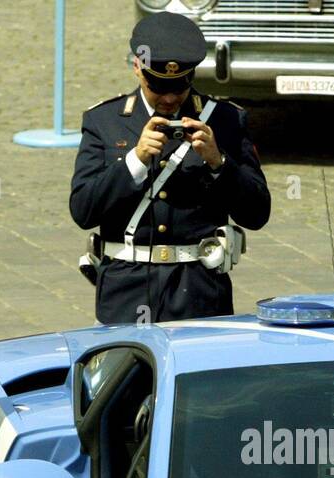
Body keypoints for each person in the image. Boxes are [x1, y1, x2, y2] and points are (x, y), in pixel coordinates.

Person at [69, 12, 270, 324]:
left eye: (179, 87)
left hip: (199, 291)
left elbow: (257, 213)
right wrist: (134, 161)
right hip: (125, 290)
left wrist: (219, 163)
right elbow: (83, 210)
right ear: (138, 68)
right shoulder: (104, 121)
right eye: (158, 86)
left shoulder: (226, 120)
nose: (169, 98)